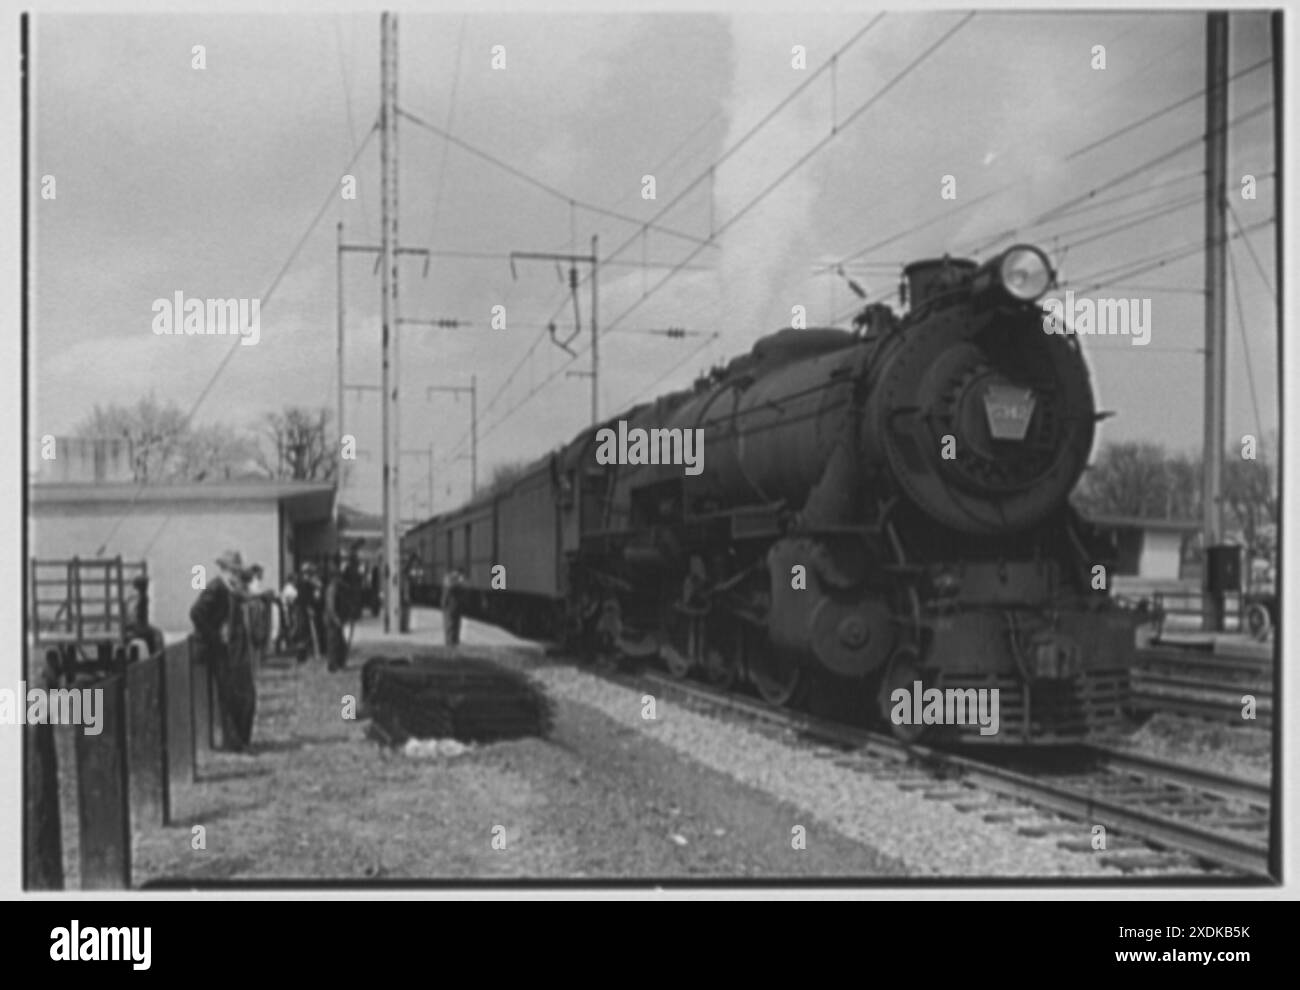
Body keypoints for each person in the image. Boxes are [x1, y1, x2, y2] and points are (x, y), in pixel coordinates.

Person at [189, 549, 256, 753]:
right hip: (222, 652)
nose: (236, 575)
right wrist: (214, 637)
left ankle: (241, 740)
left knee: (245, 695)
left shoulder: (230, 589)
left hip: (234, 651)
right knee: (231, 697)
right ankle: (235, 742)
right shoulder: (216, 587)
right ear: (225, 570)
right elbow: (196, 612)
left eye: (237, 571)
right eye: (233, 571)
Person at [123, 574, 164, 658]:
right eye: (145, 585)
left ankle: (154, 655)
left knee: (155, 634)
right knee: (155, 635)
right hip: (139, 626)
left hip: (137, 625)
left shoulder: (134, 598)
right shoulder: (142, 598)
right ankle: (154, 657)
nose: (147, 587)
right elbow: (135, 616)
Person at [441, 568, 465, 647]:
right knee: (451, 625)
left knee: (454, 625)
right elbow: (449, 590)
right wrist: (459, 582)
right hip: (451, 607)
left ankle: (452, 642)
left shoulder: (451, 580)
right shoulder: (452, 581)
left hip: (453, 606)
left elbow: (446, 595)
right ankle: (451, 642)